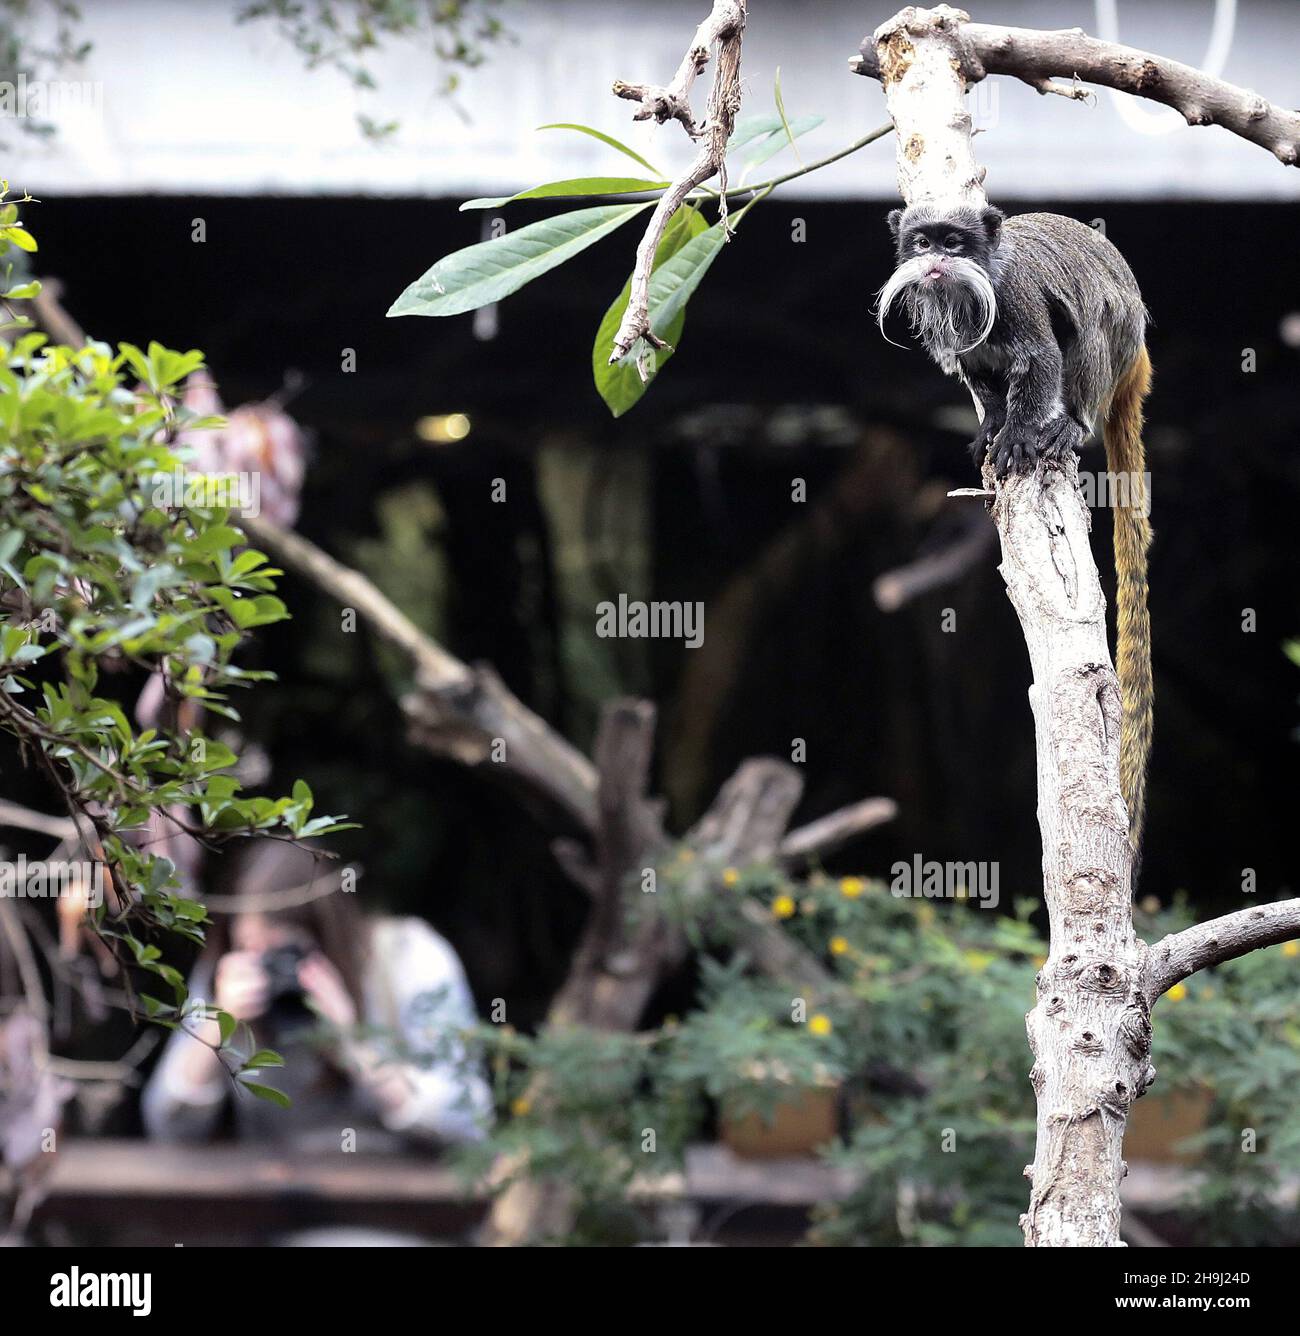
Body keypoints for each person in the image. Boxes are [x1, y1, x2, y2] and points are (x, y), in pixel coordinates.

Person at [141, 841, 490, 1152]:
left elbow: (471, 1119)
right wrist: (216, 1031)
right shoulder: (233, 976)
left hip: (405, 1207)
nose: (273, 974)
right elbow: (168, 1128)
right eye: (254, 952)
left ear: (329, 939)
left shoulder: (408, 957)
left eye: (286, 956)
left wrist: (355, 1049)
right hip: (275, 1204)